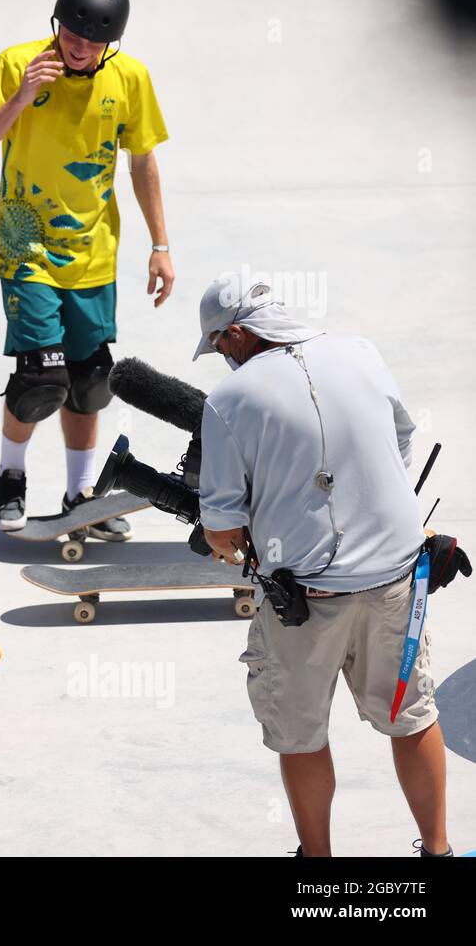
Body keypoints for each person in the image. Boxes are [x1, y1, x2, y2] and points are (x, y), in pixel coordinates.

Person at [194, 274, 469, 857]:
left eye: (219, 346)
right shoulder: (361, 351)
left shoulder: (229, 401)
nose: (222, 360)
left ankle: (318, 867)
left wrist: (248, 535)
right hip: (397, 584)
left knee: (300, 736)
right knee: (411, 717)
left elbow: (221, 530)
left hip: (307, 605)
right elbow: (400, 441)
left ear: (239, 334)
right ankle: (439, 852)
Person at [0, 0, 173, 538]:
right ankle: (11, 476)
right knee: (41, 377)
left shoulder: (129, 77)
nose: (80, 48)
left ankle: (81, 493)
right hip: (25, 247)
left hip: (94, 254)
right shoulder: (16, 63)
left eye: (94, 40)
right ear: (55, 24)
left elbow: (142, 161)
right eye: (72, 35)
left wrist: (160, 244)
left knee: (90, 380)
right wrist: (23, 94)